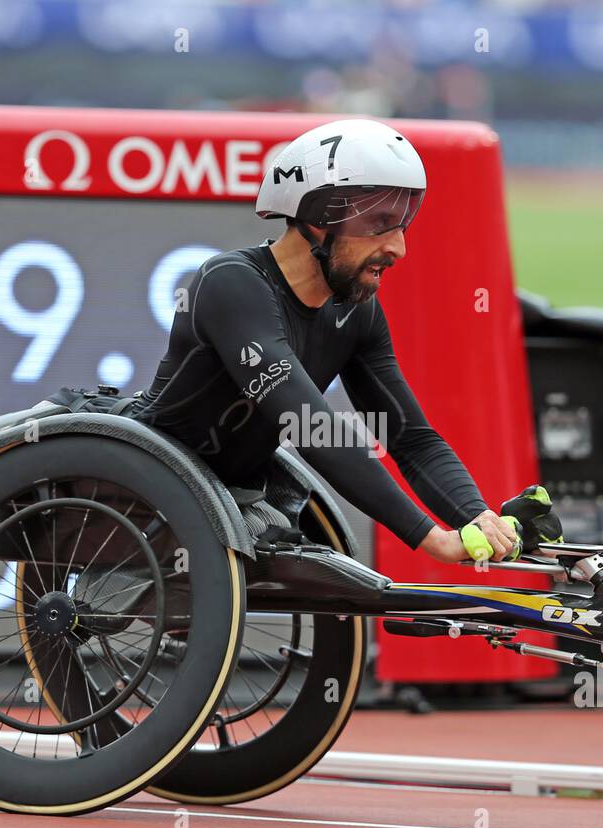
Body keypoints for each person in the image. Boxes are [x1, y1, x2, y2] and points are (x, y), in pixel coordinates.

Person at [126, 118, 520, 563]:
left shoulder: (357, 312)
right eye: (379, 224)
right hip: (142, 489)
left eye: (402, 224)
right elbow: (313, 428)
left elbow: (409, 438)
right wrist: (431, 538)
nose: (398, 249)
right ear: (318, 220)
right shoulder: (231, 282)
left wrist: (476, 517)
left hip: (230, 495)